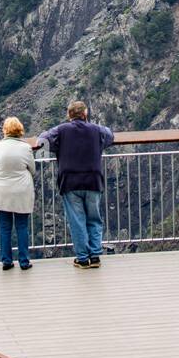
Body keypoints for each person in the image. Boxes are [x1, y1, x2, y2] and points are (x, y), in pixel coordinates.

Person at [35, 101, 114, 269]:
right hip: (93, 180)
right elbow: (110, 135)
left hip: (70, 181)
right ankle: (95, 256)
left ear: (69, 115)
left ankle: (83, 258)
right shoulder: (96, 130)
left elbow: (42, 140)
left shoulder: (61, 130)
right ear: (85, 114)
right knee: (94, 219)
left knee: (77, 221)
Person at [0, 116, 35, 271]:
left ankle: (6, 261)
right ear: (20, 130)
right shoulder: (26, 148)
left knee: (5, 227)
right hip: (21, 190)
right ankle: (24, 261)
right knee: (22, 226)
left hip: (2, 190)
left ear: (5, 130)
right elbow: (33, 169)